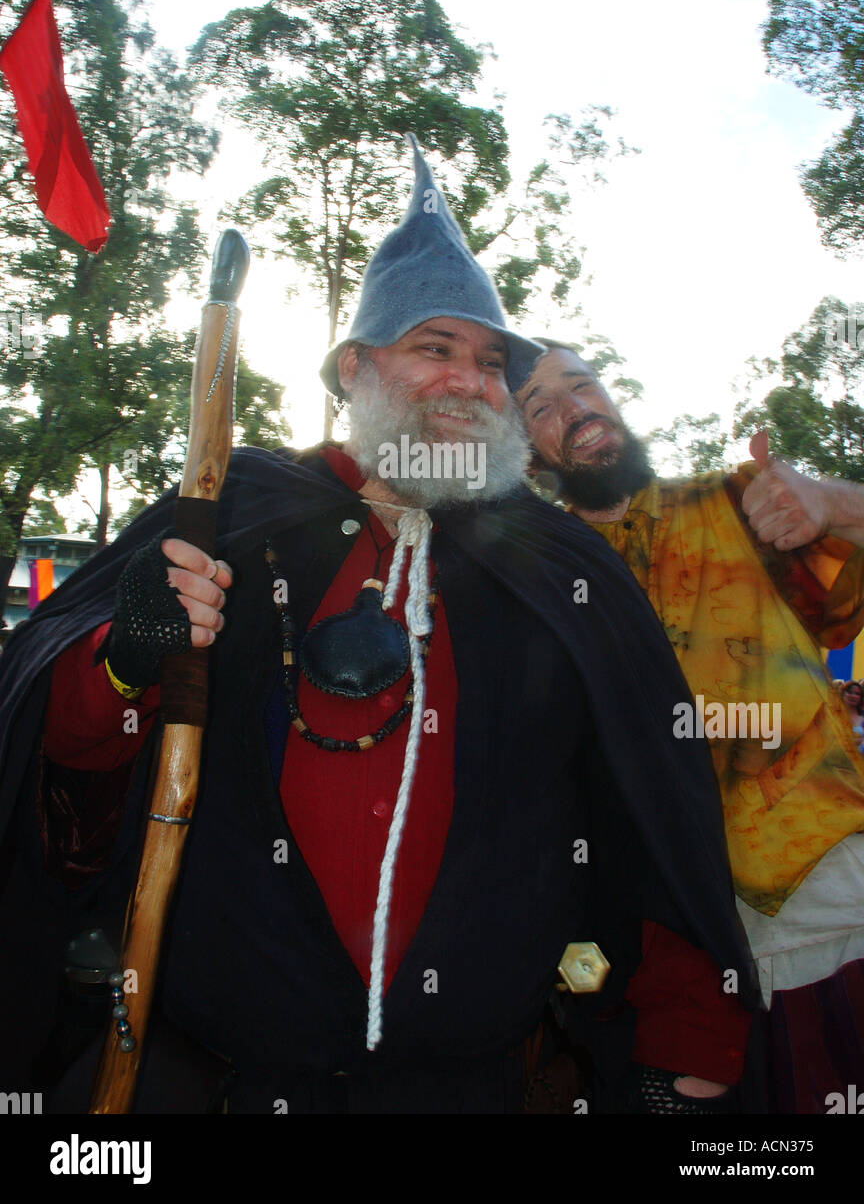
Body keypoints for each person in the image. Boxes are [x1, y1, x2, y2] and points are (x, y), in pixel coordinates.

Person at [0, 141, 751, 1115]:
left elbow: (649, 802)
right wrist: (126, 656)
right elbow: (61, 762)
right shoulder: (228, 514)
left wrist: (691, 1031)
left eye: (491, 364)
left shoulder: (556, 566)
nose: (469, 381)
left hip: (475, 1085)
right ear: (356, 367)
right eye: (434, 348)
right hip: (216, 1078)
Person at [517, 339, 864, 1113]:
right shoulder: (537, 573)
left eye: (582, 385)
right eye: (541, 405)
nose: (575, 408)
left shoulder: (737, 501)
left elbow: (846, 602)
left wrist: (830, 503)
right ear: (527, 454)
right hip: (658, 942)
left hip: (819, 894)